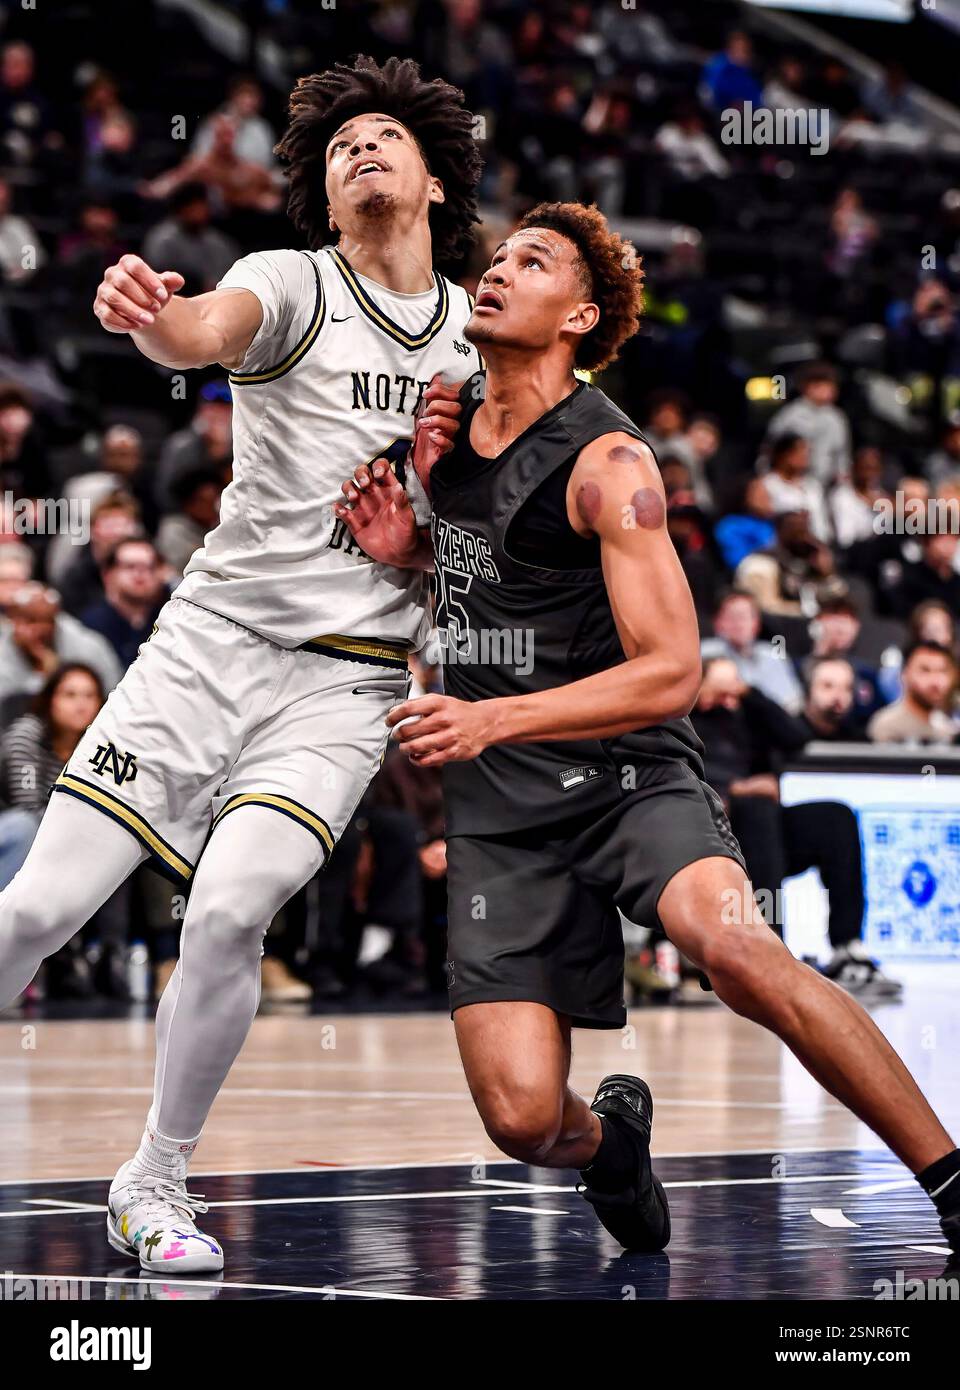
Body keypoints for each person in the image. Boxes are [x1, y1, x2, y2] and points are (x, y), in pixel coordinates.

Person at [336, 200, 960, 1257]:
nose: (496, 271)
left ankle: (948, 1177)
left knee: (738, 949)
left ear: (579, 315)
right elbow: (505, 585)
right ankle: (612, 1148)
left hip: (625, 775)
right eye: (496, 257)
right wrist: (412, 555)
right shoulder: (442, 428)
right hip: (505, 808)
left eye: (530, 262)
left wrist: (493, 721)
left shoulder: (611, 464)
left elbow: (672, 670)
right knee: (526, 1118)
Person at [0, 55, 482, 1275]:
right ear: (323, 197)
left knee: (224, 915)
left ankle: (154, 1178)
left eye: (384, 137)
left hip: (348, 680)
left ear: (434, 178)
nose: (361, 150)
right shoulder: (289, 281)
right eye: (339, 147)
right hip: (208, 646)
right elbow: (200, 327)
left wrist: (424, 547)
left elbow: (494, 543)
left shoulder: (475, 343)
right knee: (39, 911)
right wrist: (149, 315)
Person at [701, 589, 803, 713]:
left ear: (756, 623)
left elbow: (792, 704)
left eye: (744, 616)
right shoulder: (704, 653)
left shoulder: (773, 654)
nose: (738, 623)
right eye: (732, 616)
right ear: (717, 622)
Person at [867, 641, 957, 745]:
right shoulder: (886, 726)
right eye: (925, 670)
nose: (936, 681)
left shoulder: (947, 728)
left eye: (942, 671)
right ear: (904, 675)